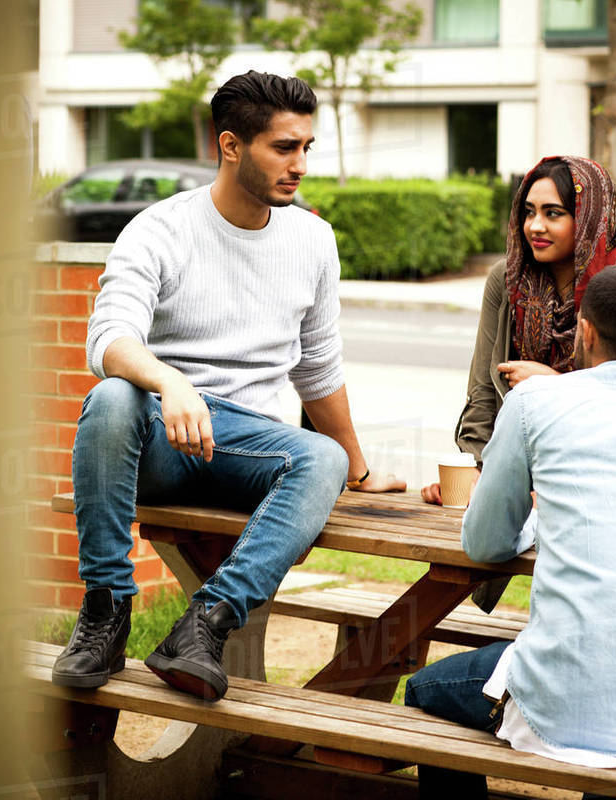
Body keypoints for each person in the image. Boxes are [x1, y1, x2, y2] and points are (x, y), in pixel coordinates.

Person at [52, 71, 405, 701]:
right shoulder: (161, 228)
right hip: (166, 435)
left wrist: (357, 466)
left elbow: (317, 366)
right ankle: (105, 612)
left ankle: (204, 627)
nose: (299, 164)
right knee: (111, 396)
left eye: (306, 147)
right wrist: (170, 382)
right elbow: (107, 338)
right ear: (231, 145)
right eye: (283, 147)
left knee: (318, 455)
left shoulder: (313, 241)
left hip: (252, 450)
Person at [404, 267, 616, 798]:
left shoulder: (534, 404)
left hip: (560, 697)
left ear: (585, 332)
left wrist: (542, 520)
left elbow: (484, 544)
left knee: (424, 689)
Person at [421, 156, 616, 508]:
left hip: (601, 482)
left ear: (588, 219)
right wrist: (476, 468)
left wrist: (556, 386)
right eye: (529, 212)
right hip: (518, 470)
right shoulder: (508, 280)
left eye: (553, 213)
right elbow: (484, 392)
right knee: (449, 558)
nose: (535, 226)